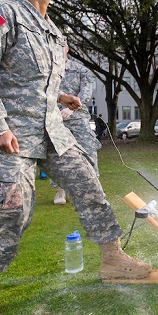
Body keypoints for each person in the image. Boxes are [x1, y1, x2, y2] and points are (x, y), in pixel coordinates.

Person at [0, 0, 150, 315]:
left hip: (53, 131)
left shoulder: (54, 32)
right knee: (10, 210)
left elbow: (36, 79)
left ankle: (112, 259)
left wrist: (60, 94)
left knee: (89, 188)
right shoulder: (1, 14)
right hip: (11, 134)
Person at [49, 46, 100, 205]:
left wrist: (71, 108)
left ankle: (94, 190)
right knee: (58, 154)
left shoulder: (80, 70)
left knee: (88, 151)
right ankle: (60, 190)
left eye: (60, 46)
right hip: (54, 119)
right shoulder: (47, 70)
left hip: (78, 118)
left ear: (67, 49)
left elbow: (87, 90)